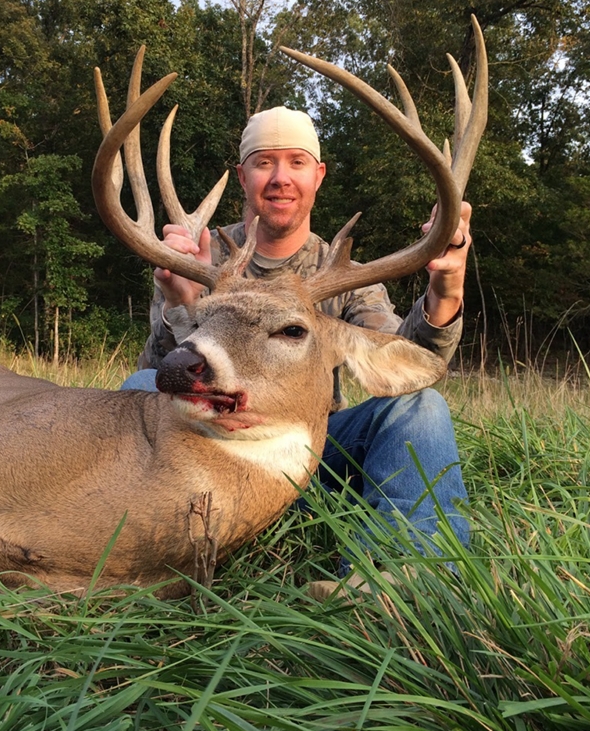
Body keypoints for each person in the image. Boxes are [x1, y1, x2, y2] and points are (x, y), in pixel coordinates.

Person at [122, 106, 471, 580]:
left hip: (312, 453)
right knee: (140, 384)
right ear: (243, 176)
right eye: (264, 162)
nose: (280, 177)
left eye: (296, 162)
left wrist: (444, 290)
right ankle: (129, 547)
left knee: (421, 409)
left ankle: (400, 580)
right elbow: (155, 379)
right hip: (210, 452)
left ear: (318, 175)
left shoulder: (345, 277)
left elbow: (410, 364)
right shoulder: (200, 259)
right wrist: (185, 305)